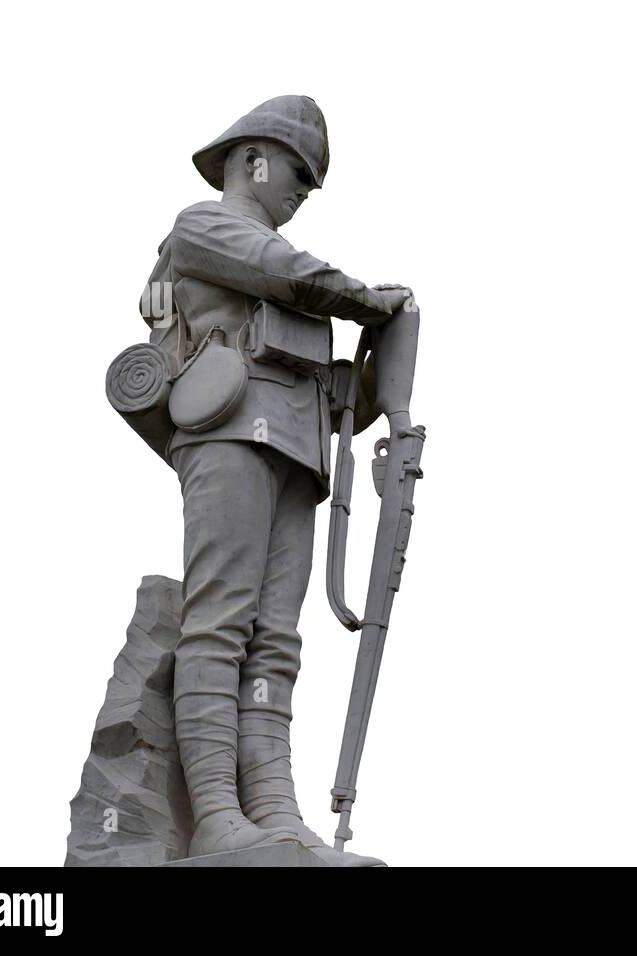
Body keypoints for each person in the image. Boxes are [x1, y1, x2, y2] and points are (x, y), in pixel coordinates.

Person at [139, 95, 411, 865]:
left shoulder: (298, 277)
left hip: (295, 451)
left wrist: (379, 385)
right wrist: (366, 299)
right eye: (298, 173)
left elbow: (332, 403)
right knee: (220, 621)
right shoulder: (206, 227)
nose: (301, 193)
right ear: (252, 159)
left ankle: (272, 809)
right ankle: (219, 815)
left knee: (276, 643)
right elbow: (281, 272)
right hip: (227, 433)